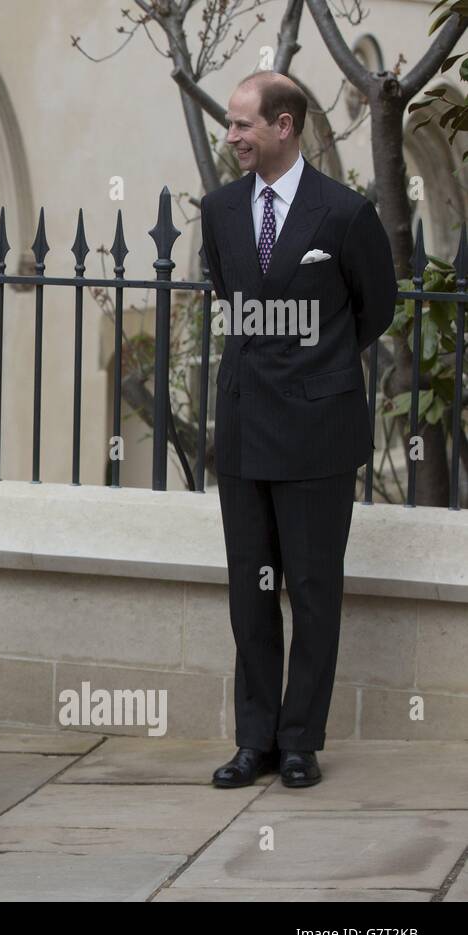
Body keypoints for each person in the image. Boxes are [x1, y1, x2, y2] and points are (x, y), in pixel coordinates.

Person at [202, 73, 396, 789]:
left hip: (318, 433)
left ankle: (298, 741)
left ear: (285, 126)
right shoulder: (220, 209)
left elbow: (377, 309)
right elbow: (232, 292)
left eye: (244, 124)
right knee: (250, 591)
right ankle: (252, 739)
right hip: (247, 426)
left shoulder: (344, 214)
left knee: (312, 590)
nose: (232, 136)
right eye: (228, 124)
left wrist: (316, 366)